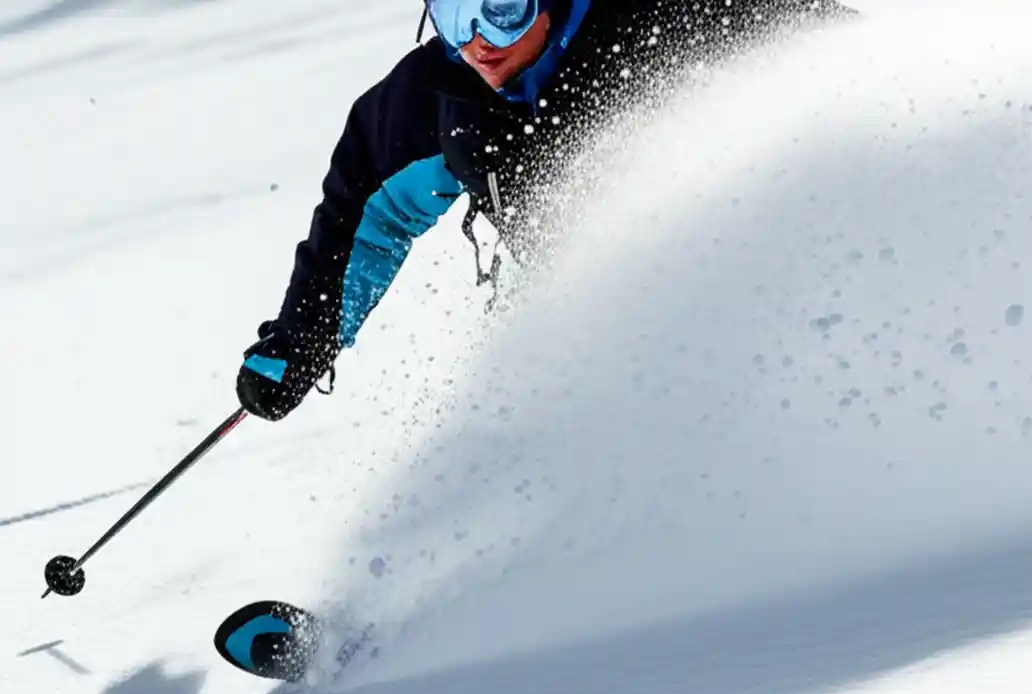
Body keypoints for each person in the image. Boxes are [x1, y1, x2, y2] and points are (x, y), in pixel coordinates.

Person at [236, 0, 856, 422]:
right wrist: (305, 342)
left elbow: (868, 70)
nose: (479, 42)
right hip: (610, 351)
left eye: (502, 9)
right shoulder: (440, 98)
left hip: (789, 315)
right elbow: (368, 218)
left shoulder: (673, 21)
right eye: (453, 13)